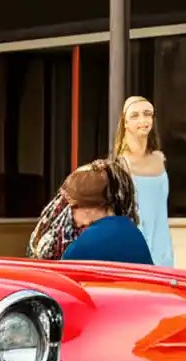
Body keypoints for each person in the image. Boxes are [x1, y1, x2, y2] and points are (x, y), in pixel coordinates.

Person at [113, 95, 174, 268]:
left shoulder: (160, 158)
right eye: (135, 115)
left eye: (147, 114)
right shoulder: (121, 164)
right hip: (134, 247)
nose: (143, 120)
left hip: (162, 247)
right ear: (125, 123)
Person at [59, 160, 152, 265]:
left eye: (71, 208)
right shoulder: (132, 232)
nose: (70, 216)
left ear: (85, 206)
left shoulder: (80, 249)